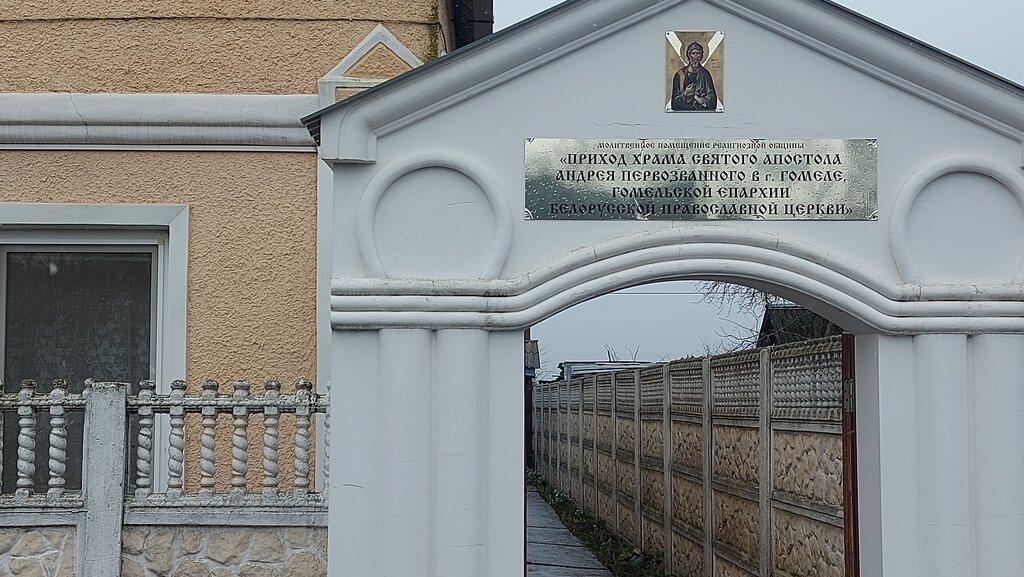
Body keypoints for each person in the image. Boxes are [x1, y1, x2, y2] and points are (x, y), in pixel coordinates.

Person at [670, 41, 718, 111]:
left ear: (701, 56)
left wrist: (700, 100)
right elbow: (674, 104)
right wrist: (686, 93)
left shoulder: (705, 74)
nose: (695, 56)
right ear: (689, 55)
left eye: (698, 53)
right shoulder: (679, 75)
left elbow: (712, 100)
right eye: (693, 53)